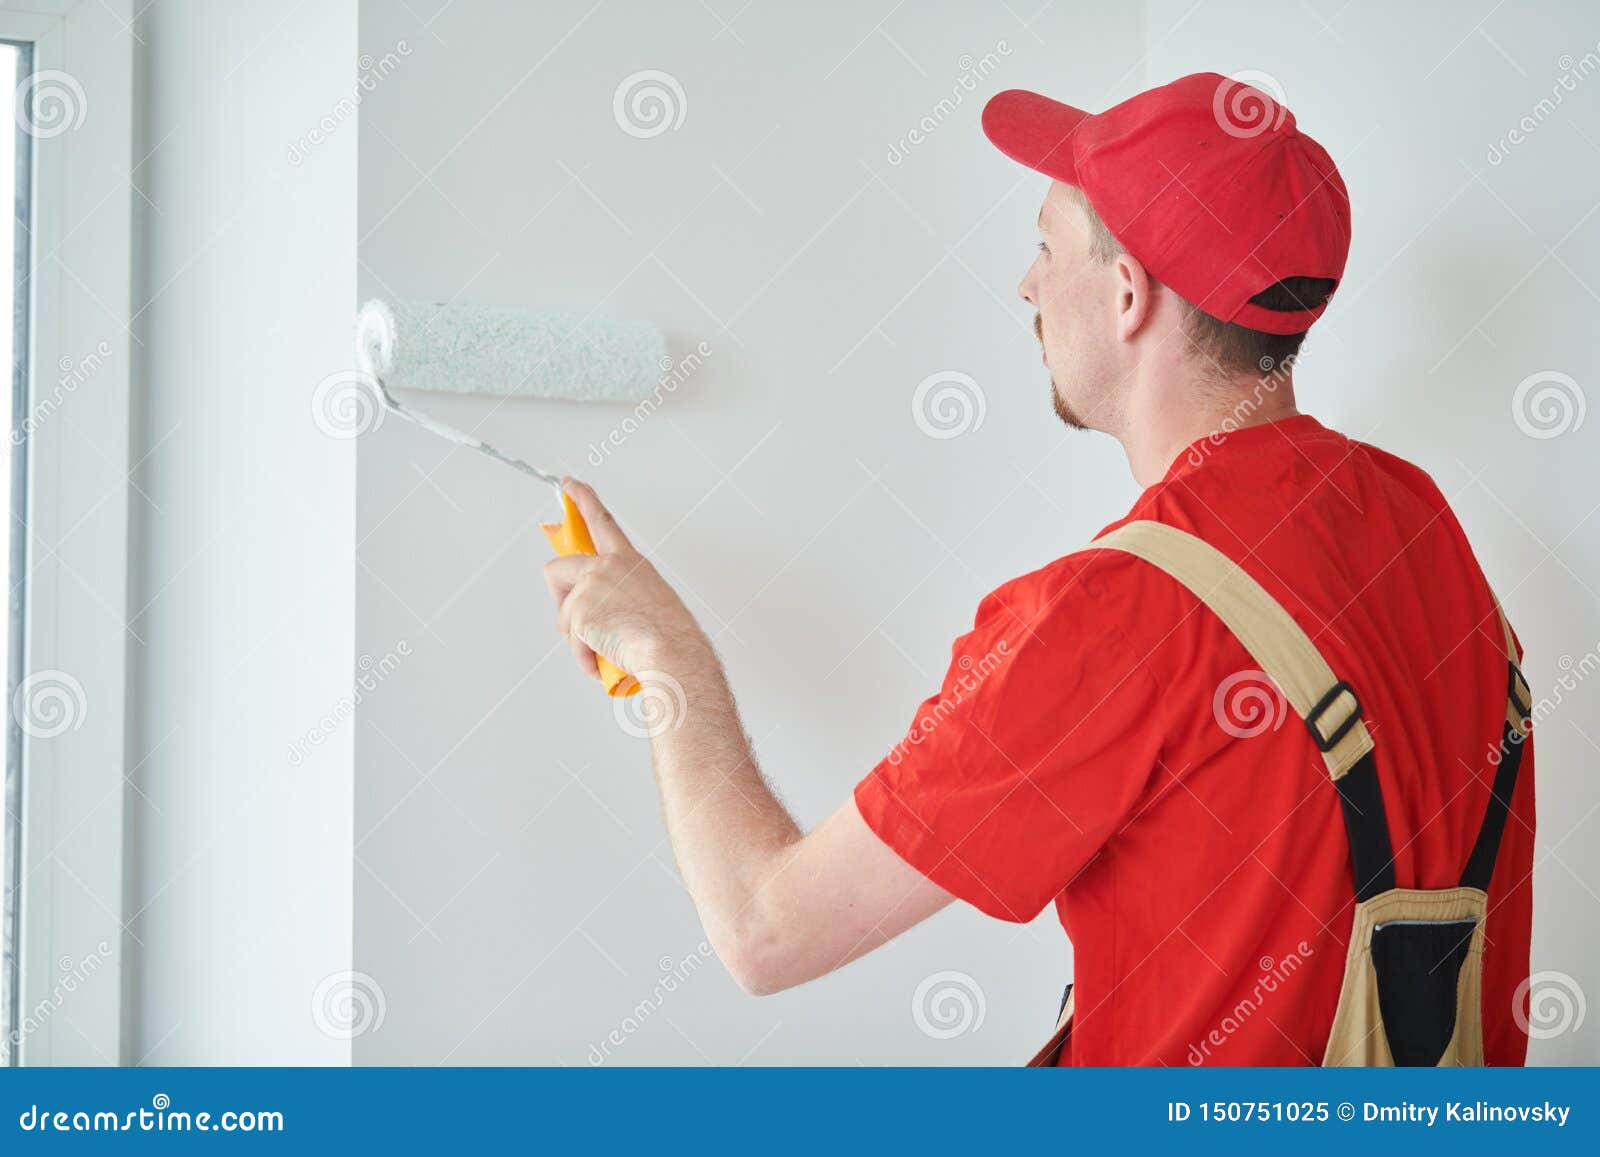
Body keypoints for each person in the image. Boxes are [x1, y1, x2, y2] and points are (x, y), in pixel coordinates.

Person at [543, 73, 1535, 1066]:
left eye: (1046, 245)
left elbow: (765, 929)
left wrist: (669, 660)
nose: (1025, 284)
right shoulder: (1417, 519)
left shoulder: (1111, 612)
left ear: (1126, 293)